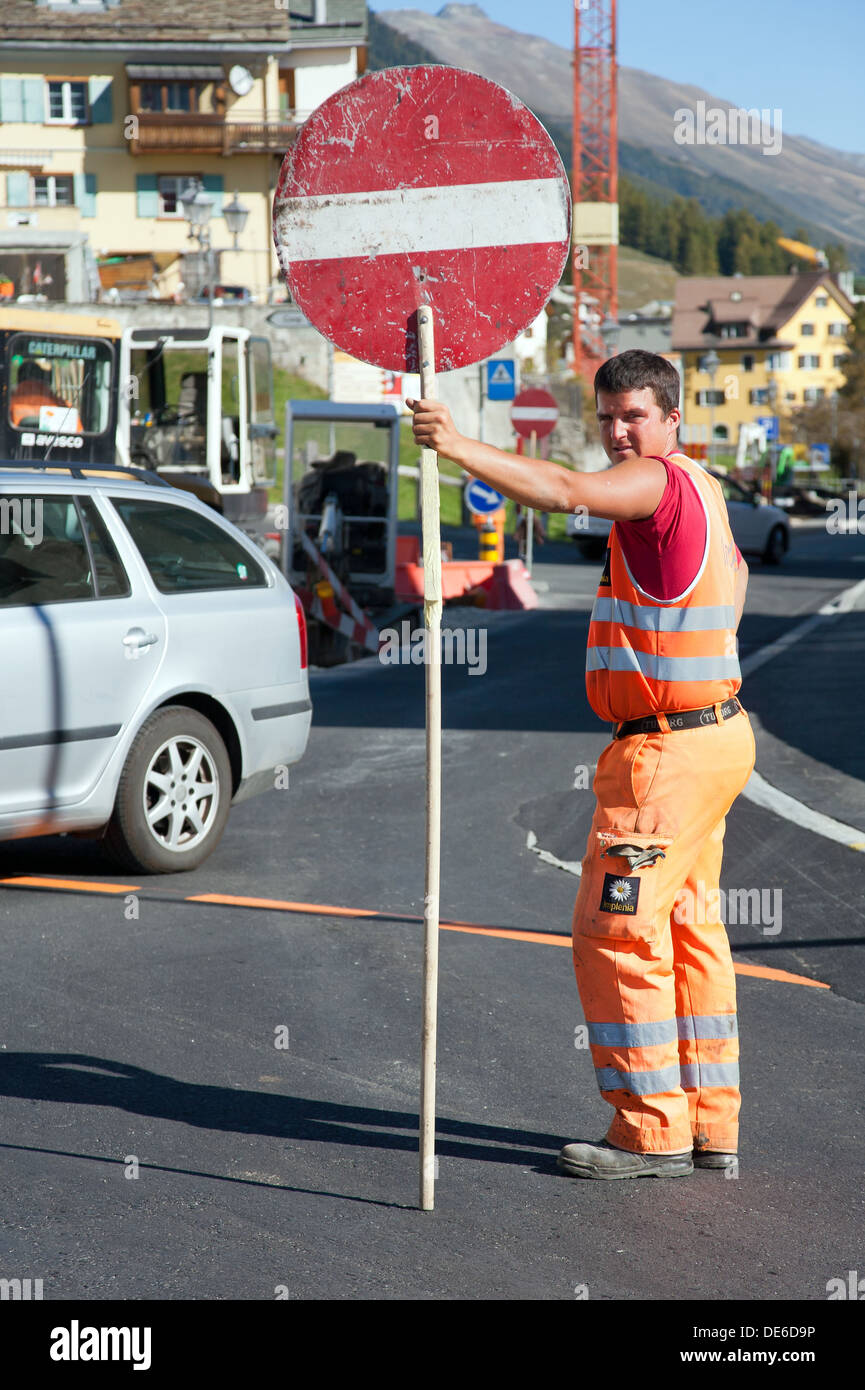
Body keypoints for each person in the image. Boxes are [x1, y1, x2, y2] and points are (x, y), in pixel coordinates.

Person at [408, 349, 754, 1181]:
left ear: (671, 419)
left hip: (665, 753)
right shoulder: (705, 488)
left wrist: (455, 445)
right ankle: (709, 1124)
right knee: (687, 929)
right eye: (605, 417)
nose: (616, 432)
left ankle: (648, 1131)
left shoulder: (659, 486)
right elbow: (732, 580)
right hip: (713, 739)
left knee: (615, 930)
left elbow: (565, 490)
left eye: (633, 415)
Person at [10, 360, 82, 433]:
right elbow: (80, 435)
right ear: (44, 379)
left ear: (19, 378)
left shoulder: (8, 405)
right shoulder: (64, 406)